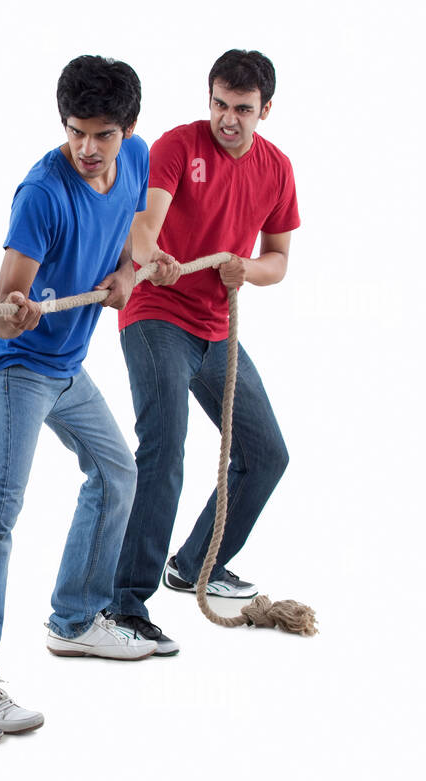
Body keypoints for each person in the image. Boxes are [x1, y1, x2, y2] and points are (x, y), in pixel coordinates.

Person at [0, 55, 170, 735]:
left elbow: (135, 226)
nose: (86, 147)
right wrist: (17, 307)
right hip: (18, 366)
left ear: (127, 131)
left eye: (102, 134)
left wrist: (130, 270)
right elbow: (9, 298)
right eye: (75, 131)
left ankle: (74, 619)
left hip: (68, 368)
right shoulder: (41, 192)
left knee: (116, 471)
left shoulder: (138, 160)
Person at [109, 49, 300, 651]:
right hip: (156, 315)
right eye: (220, 103)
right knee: (165, 450)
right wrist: (152, 256)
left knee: (267, 455)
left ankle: (195, 563)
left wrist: (247, 269)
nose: (228, 119)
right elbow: (144, 226)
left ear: (265, 109)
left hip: (217, 329)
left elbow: (278, 260)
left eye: (243, 109)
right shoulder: (178, 145)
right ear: (209, 99)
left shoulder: (277, 168)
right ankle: (125, 606)